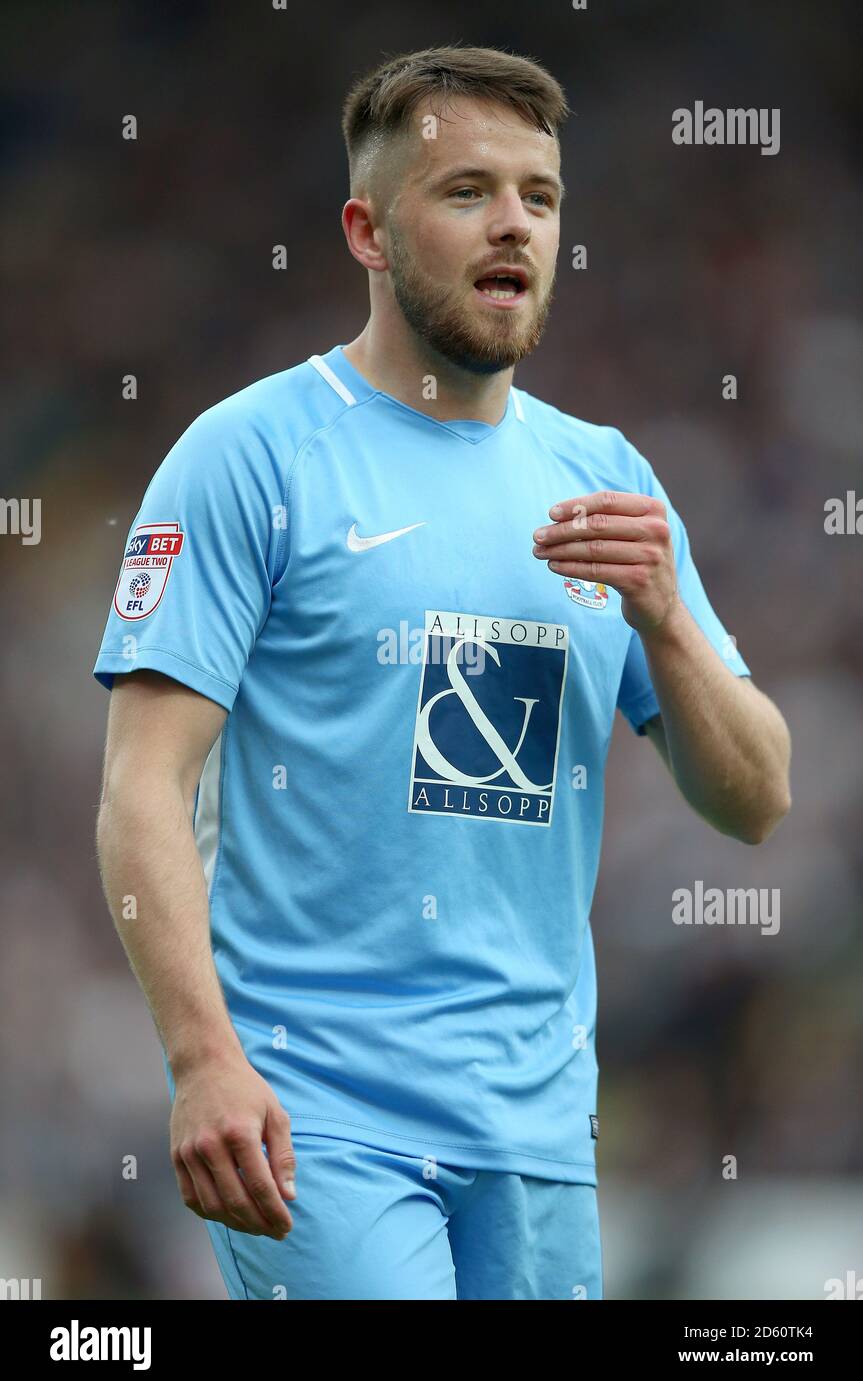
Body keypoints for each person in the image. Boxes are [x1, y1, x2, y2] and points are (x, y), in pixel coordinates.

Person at [93, 45, 792, 1300]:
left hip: (536, 1131)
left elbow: (752, 798)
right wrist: (201, 1058)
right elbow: (141, 788)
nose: (514, 221)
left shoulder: (608, 477)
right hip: (312, 1115)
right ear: (367, 230)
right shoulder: (250, 458)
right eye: (466, 190)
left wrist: (668, 622)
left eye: (539, 194)